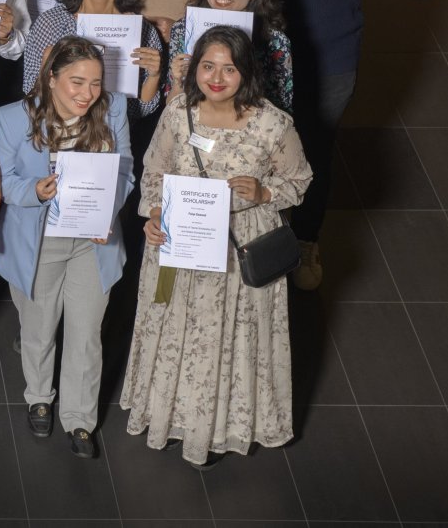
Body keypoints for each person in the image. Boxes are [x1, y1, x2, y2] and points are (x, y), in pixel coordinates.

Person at [237, 0, 439, 289]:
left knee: (315, 155)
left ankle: (306, 242)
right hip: (267, 62)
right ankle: (257, 237)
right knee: (258, 148)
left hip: (331, 65)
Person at [120, 26, 312, 470]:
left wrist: (265, 194)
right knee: (176, 332)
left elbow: (300, 181)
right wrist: (152, 215)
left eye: (229, 67)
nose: (218, 77)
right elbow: (154, 172)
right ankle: (171, 418)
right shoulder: (176, 114)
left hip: (240, 247)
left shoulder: (273, 124)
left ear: (247, 72)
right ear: (195, 69)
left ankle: (222, 427)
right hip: (180, 243)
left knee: (230, 338)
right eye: (208, 66)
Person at [0, 36, 134, 459]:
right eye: (76, 82)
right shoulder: (10, 118)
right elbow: (2, 181)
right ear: (50, 78)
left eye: (95, 83)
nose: (87, 94)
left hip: (93, 241)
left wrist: (107, 210)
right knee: (38, 328)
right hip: (39, 241)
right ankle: (38, 395)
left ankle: (80, 419)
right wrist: (34, 189)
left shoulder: (116, 109)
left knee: (87, 334)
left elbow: (126, 171)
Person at [21, 0, 164, 119]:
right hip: (58, 131)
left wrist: (154, 76)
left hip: (115, 134)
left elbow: (141, 111)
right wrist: (46, 69)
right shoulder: (51, 23)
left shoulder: (143, 31)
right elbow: (32, 95)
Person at [165, 0, 294, 112]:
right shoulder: (183, 29)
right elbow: (172, 109)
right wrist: (177, 80)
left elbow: (282, 111)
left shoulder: (275, 42)